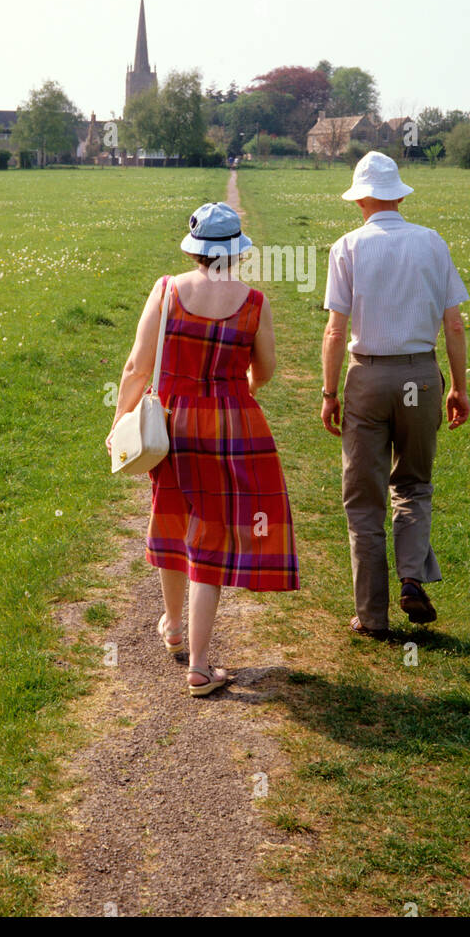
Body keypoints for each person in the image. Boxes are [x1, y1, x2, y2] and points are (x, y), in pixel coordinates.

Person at [107, 202, 299, 694]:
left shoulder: (167, 290)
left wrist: (118, 422)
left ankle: (174, 626)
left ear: (194, 249)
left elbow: (135, 367)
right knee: (211, 532)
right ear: (236, 252)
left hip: (174, 421)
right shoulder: (254, 300)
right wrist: (241, 386)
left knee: (172, 515)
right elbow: (267, 369)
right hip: (233, 422)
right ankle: (198, 662)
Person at [320, 152, 470, 639]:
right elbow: (454, 324)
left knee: (364, 500)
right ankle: (411, 576)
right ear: (401, 195)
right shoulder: (432, 243)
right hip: (421, 378)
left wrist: (328, 392)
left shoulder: (347, 247)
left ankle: (371, 616)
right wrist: (460, 387)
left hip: (368, 379)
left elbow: (334, 330)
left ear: (360, 199)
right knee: (413, 484)